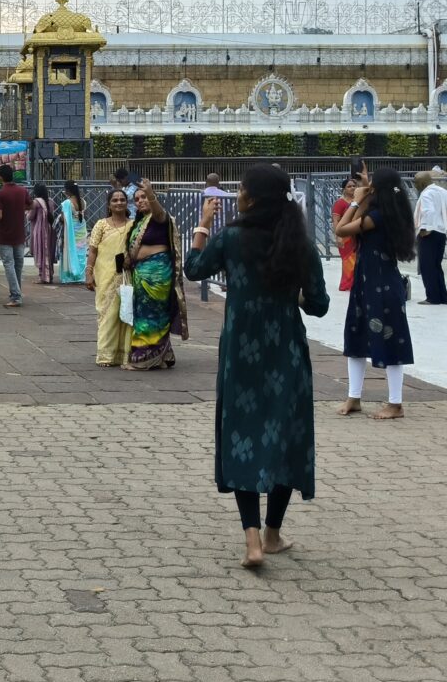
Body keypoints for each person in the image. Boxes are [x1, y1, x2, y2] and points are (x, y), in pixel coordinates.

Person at [185, 164, 329, 569]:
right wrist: (290, 299)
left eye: (242, 189)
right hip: (286, 350)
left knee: (241, 433)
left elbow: (194, 269)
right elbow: (319, 304)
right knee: (284, 435)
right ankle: (273, 533)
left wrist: (202, 226)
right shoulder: (298, 244)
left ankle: (250, 540)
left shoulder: (231, 238)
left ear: (252, 197)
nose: (238, 193)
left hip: (241, 353)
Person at [335, 166, 415, 419]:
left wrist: (356, 201)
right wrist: (367, 190)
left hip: (378, 285)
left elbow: (342, 230)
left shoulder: (377, 217)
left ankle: (395, 403)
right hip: (369, 282)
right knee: (356, 336)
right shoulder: (389, 211)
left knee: (391, 340)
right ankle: (354, 397)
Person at [125, 181, 188, 370]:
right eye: (137, 199)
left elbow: (158, 211)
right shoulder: (140, 221)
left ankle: (144, 358)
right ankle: (163, 354)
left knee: (151, 315)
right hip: (141, 273)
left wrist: (150, 193)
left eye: (143, 197)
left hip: (157, 275)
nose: (140, 201)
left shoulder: (160, 218)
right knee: (145, 313)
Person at [84, 190, 133, 366]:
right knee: (107, 314)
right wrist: (89, 272)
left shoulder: (133, 225)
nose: (119, 203)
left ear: (127, 203)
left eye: (122, 200)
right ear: (109, 204)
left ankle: (123, 354)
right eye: (115, 200)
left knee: (126, 314)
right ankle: (106, 355)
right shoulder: (101, 225)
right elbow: (93, 250)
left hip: (126, 276)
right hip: (105, 275)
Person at [0, 165, 31, 308]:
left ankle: (15, 295)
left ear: (1, 177)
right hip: (19, 233)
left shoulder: (0, 194)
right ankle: (17, 292)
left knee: (9, 264)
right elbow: (30, 205)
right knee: (18, 264)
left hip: (5, 234)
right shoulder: (22, 191)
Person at [413, 171, 447, 306]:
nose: (415, 185)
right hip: (441, 231)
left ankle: (432, 298)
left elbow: (428, 212)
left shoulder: (426, 194)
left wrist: (425, 229)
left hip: (429, 232)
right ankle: (442, 297)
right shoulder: (443, 192)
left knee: (427, 266)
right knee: (436, 265)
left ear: (422, 182)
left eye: (416, 182)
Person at [331, 173, 360, 292]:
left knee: (357, 260)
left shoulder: (358, 202)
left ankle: (356, 283)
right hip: (345, 236)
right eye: (349, 186)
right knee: (348, 261)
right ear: (343, 189)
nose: (352, 188)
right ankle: (347, 285)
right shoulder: (340, 203)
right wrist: (338, 236)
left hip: (357, 235)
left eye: (354, 186)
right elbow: (336, 221)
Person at [57, 182, 88, 284]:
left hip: (71, 231)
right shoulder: (83, 201)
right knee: (81, 253)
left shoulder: (67, 203)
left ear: (68, 191)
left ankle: (70, 276)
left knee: (70, 251)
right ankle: (80, 276)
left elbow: (63, 218)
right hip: (82, 229)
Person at [29, 183, 55, 285]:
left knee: (40, 252)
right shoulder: (51, 202)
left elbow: (30, 217)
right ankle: (49, 275)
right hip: (49, 228)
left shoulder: (36, 202)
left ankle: (42, 276)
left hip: (39, 229)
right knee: (48, 252)